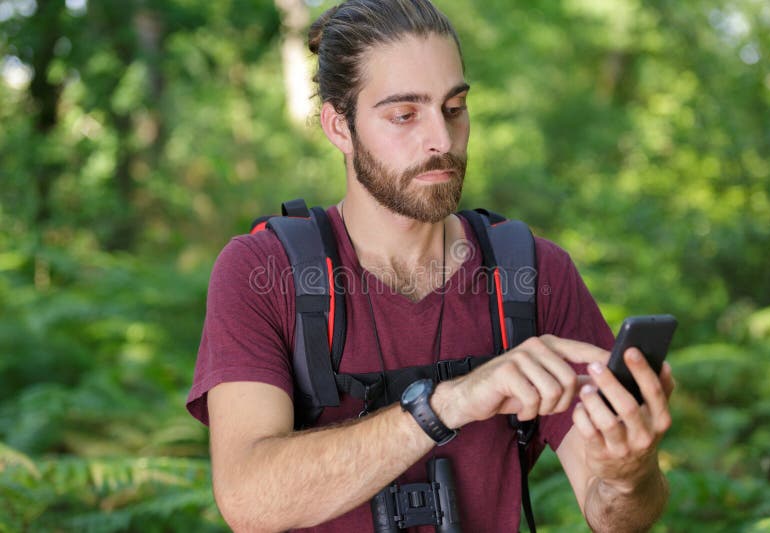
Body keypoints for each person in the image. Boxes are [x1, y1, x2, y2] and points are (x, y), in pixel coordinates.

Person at [186, 1, 674, 531]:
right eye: (404, 115)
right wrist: (448, 403)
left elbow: (616, 517)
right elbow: (249, 500)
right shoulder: (264, 270)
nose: (442, 139)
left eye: (454, 108)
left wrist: (630, 474)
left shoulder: (533, 274)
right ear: (338, 126)